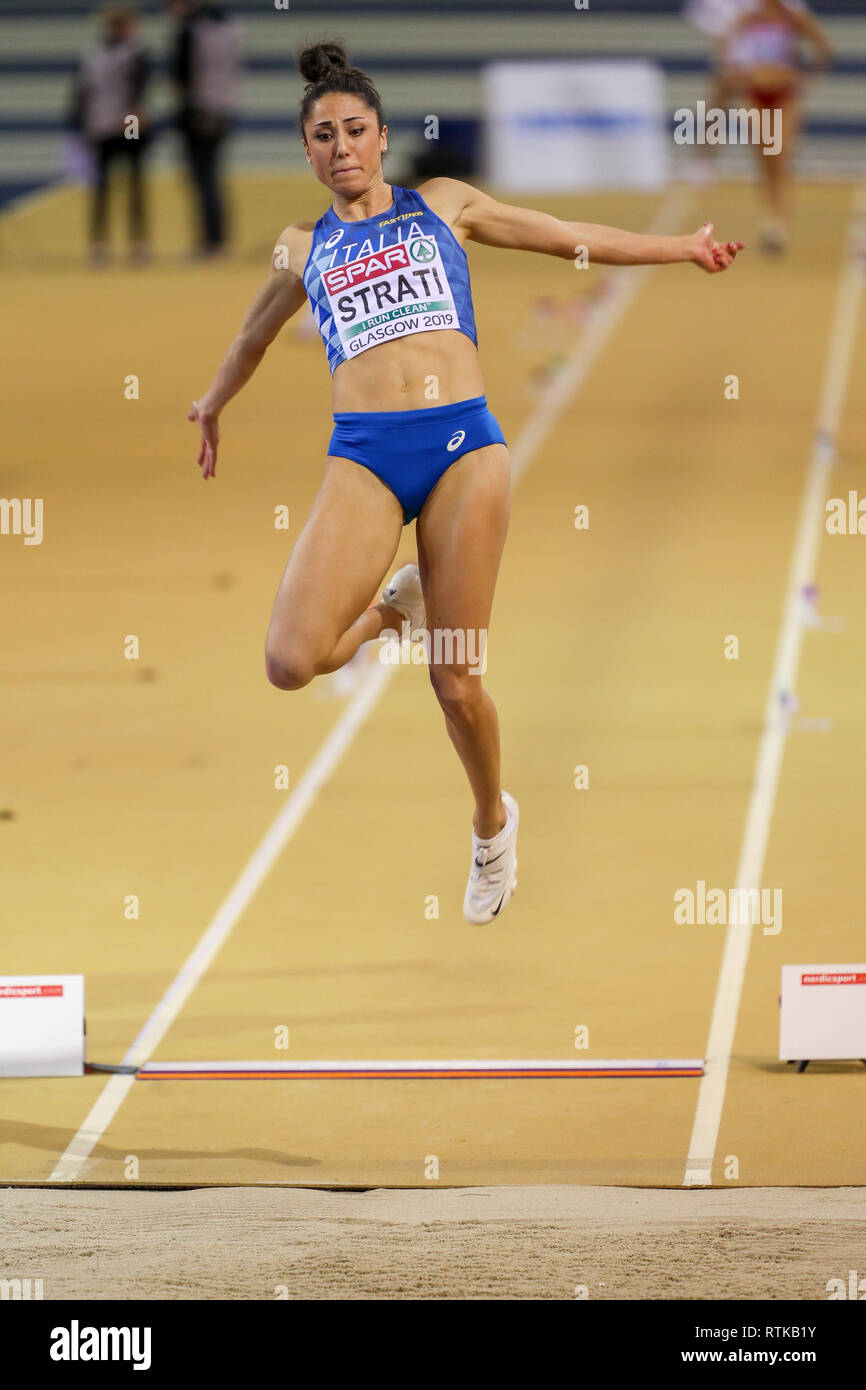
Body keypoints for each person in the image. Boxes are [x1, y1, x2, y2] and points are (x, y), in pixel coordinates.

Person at [186, 41, 743, 924]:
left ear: (380, 135)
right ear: (306, 150)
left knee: (455, 680)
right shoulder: (304, 247)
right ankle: (392, 612)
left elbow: (570, 241)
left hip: (462, 450)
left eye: (355, 130)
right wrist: (213, 401)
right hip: (364, 454)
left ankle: (491, 825)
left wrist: (681, 247)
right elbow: (253, 338)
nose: (342, 148)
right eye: (323, 136)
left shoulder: (443, 208)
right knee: (290, 661)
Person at [719, 0, 832, 250]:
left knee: (779, 154)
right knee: (764, 158)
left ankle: (781, 222)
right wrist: (737, 74)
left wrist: (806, 77)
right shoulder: (749, 18)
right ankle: (768, 217)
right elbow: (726, 46)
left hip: (784, 95)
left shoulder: (792, 16)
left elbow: (823, 45)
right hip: (755, 93)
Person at [68, 2, 152, 265]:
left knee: (133, 183)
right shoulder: (97, 54)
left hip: (126, 124)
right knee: (102, 187)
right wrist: (83, 124)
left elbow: (139, 90)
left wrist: (131, 123)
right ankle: (101, 243)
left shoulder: (134, 52)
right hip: (104, 125)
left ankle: (137, 242)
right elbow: (82, 92)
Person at [167, 0, 243, 259]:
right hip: (224, 108)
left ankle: (210, 241)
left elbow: (180, 78)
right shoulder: (228, 26)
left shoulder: (190, 30)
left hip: (198, 111)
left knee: (202, 178)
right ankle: (218, 238)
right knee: (212, 176)